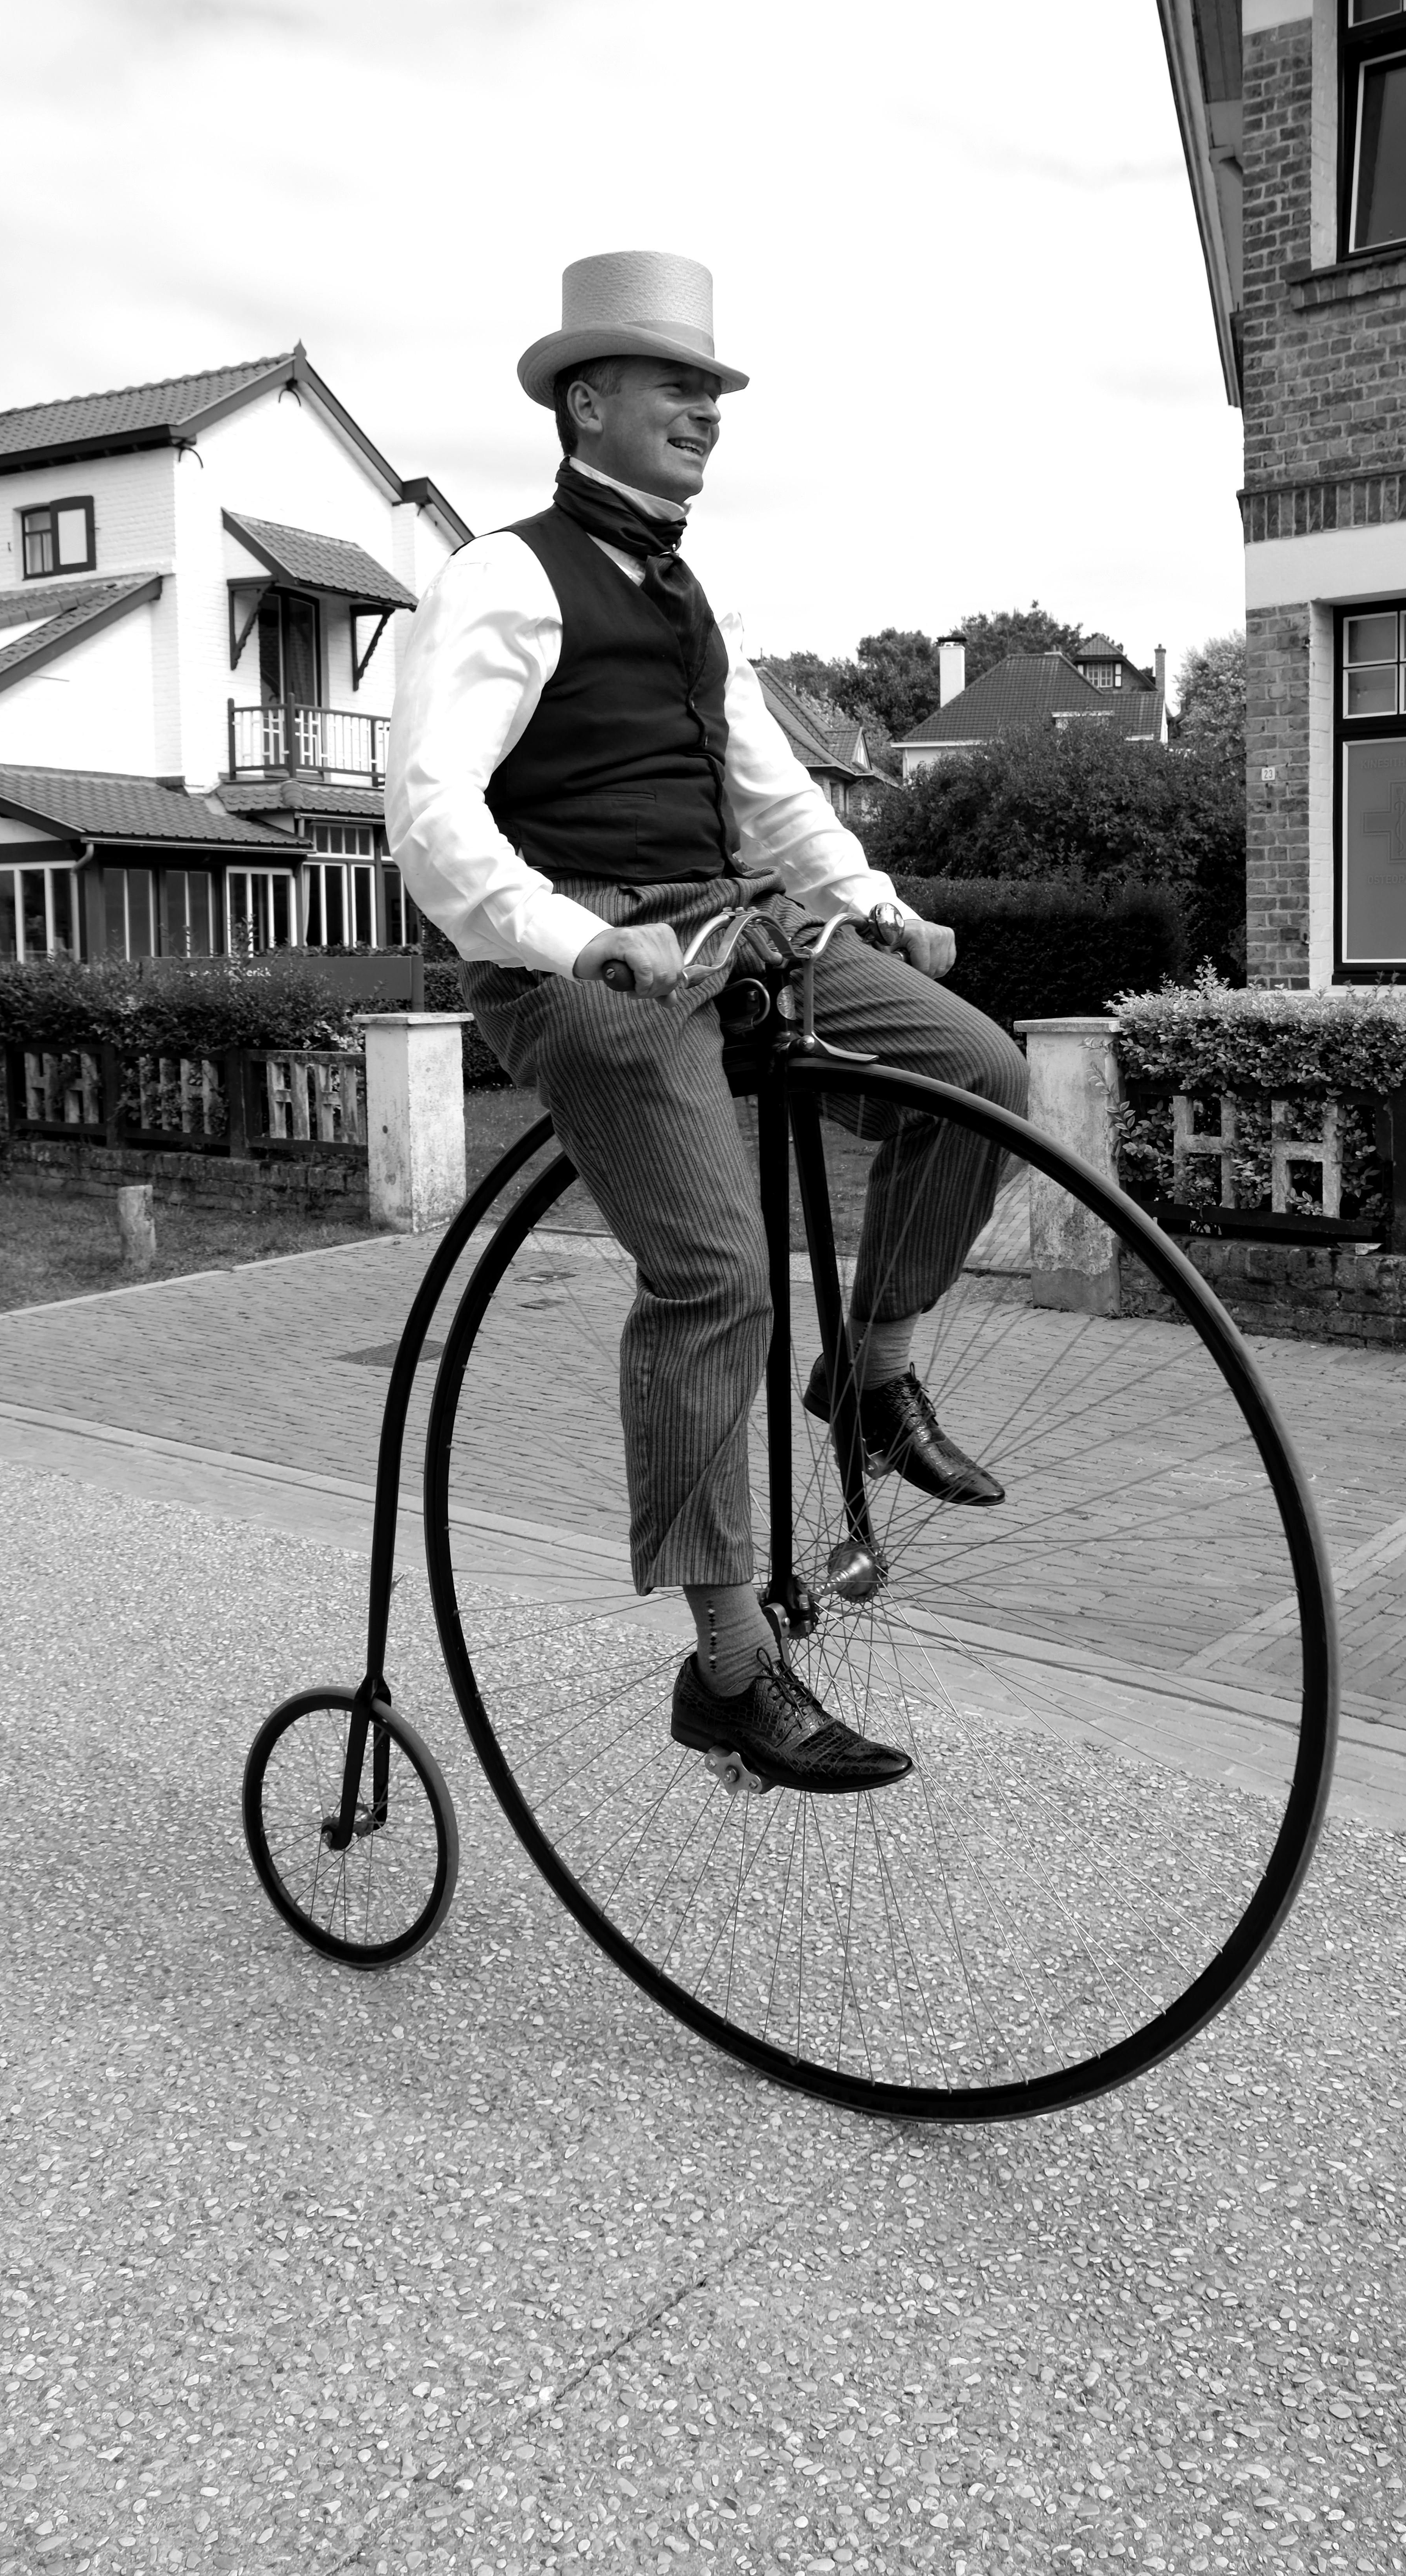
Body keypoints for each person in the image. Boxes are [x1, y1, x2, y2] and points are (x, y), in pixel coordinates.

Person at [386, 252, 1028, 1797]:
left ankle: (871, 1371)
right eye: (678, 387)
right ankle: (732, 1668)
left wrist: (864, 901)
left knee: (979, 1070)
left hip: (721, 919)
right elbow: (427, 815)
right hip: (577, 942)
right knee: (717, 1270)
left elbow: (769, 791)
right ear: (585, 401)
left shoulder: (685, 600)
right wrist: (573, 939)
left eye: (716, 392)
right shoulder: (506, 575)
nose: (706, 414)